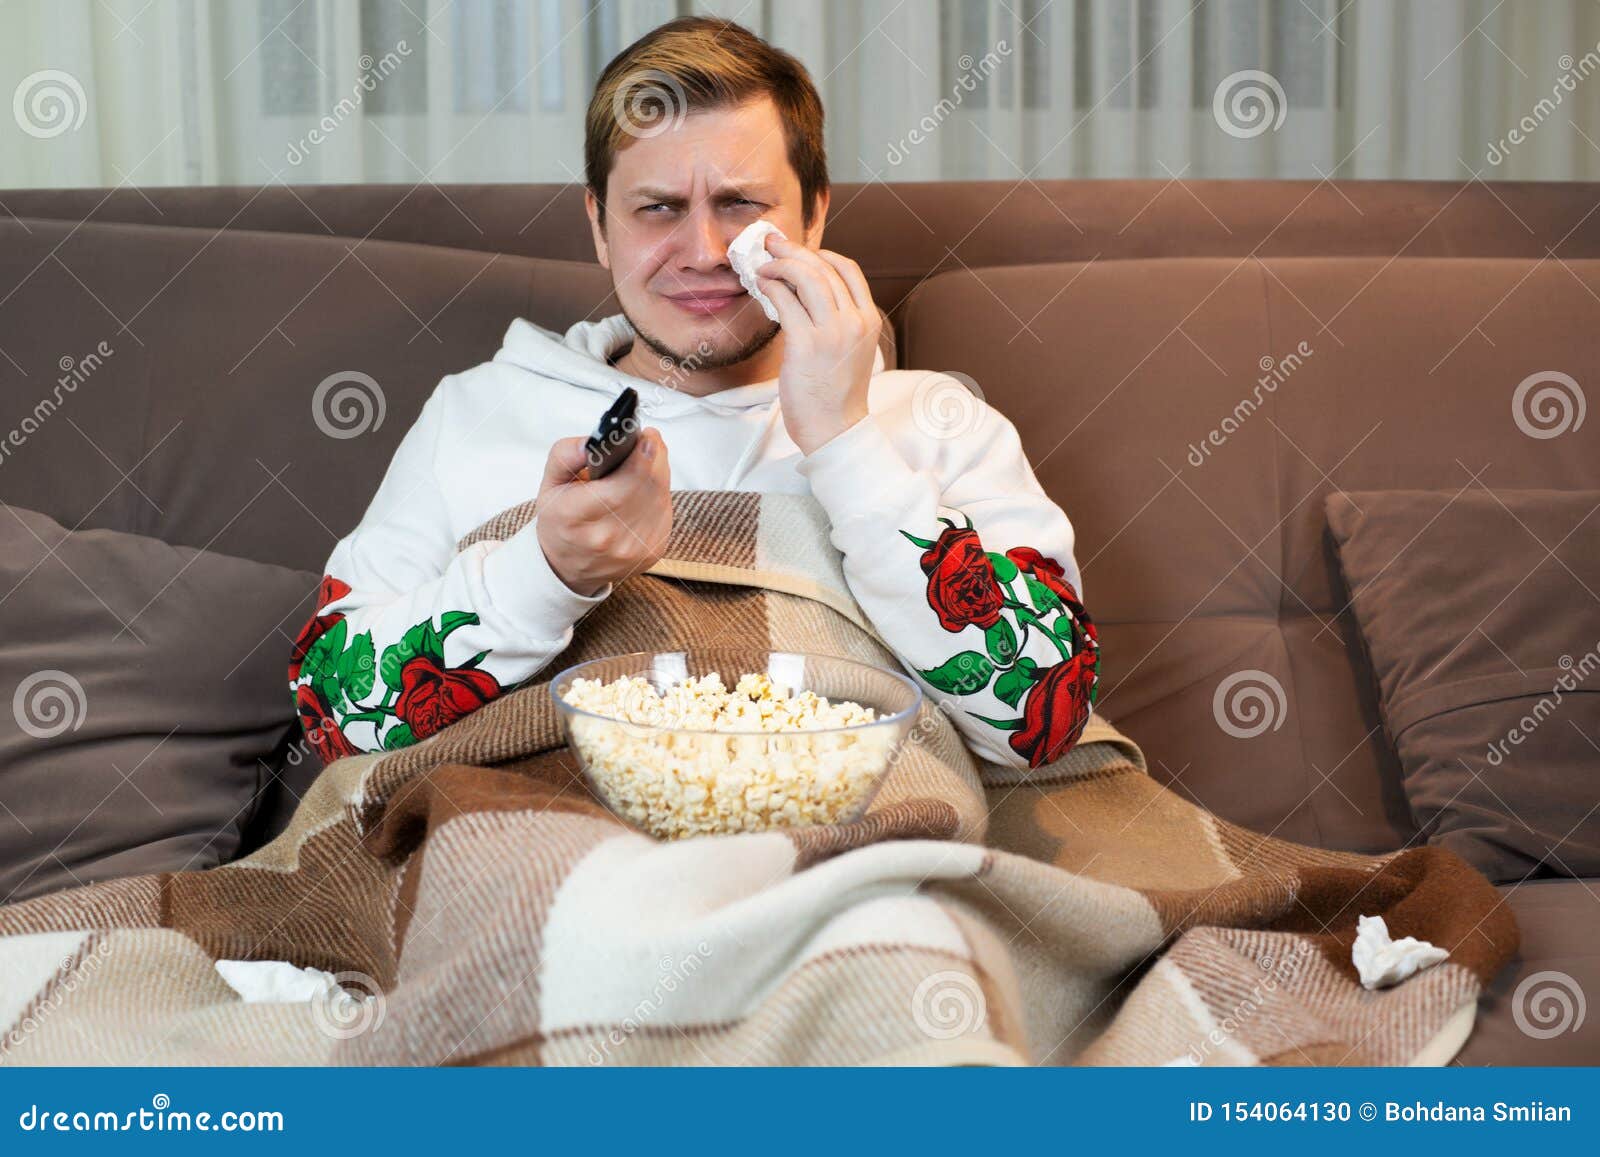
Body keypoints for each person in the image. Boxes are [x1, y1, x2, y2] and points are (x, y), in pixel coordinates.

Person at [288, 16, 1098, 771]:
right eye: (658, 210)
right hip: (548, 844)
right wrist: (545, 569)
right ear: (601, 225)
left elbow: (1039, 720)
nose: (704, 251)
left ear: (814, 215)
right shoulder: (477, 412)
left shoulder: (939, 424)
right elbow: (329, 709)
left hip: (851, 845)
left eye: (740, 205)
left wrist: (843, 438)